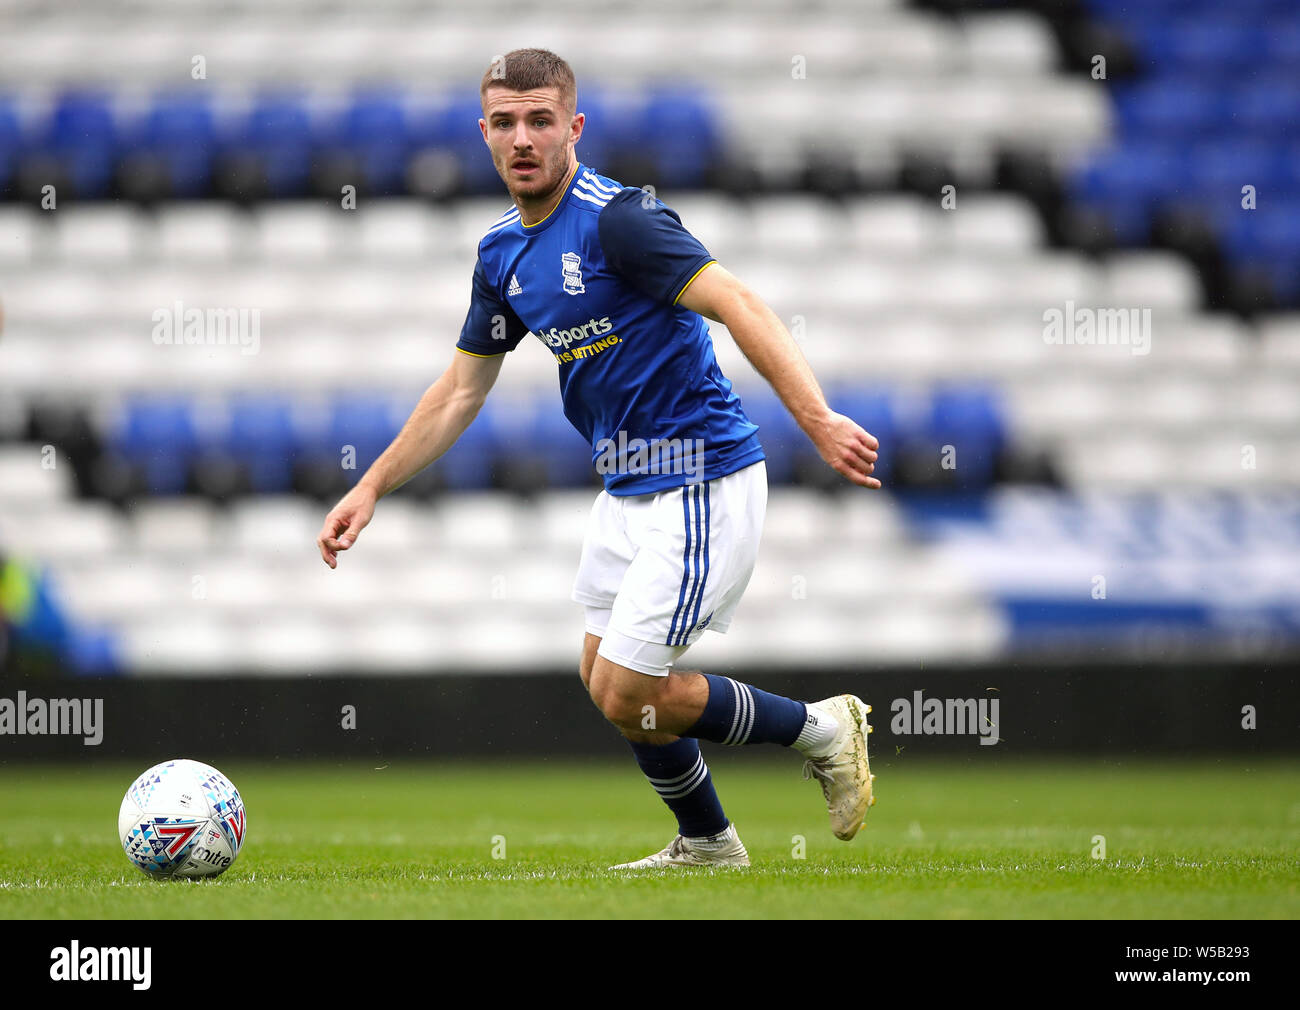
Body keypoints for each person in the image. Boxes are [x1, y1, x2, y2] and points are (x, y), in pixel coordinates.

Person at [316, 48, 882, 868]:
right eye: (505, 122)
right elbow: (459, 392)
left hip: (701, 476)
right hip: (625, 489)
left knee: (629, 688)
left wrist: (818, 418)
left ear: (573, 127)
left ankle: (825, 731)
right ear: (483, 133)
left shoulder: (619, 220)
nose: (523, 138)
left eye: (540, 119)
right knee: (604, 679)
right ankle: (707, 842)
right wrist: (370, 486)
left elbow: (738, 302)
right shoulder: (500, 255)